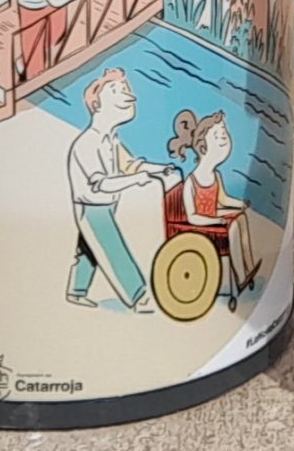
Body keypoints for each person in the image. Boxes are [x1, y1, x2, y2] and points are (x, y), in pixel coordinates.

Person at [64, 69, 171, 311]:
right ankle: (138, 296)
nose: (129, 96)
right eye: (117, 91)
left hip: (107, 203)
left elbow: (130, 164)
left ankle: (76, 291)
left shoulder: (112, 140)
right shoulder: (87, 143)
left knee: (89, 248)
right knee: (112, 248)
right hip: (92, 206)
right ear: (97, 105)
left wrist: (158, 169)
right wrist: (136, 179)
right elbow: (101, 183)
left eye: (126, 90)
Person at [167, 108, 259, 294]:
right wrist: (218, 220)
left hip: (214, 214)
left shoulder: (215, 175)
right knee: (232, 227)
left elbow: (222, 199)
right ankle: (240, 276)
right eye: (218, 135)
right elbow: (192, 216)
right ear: (203, 147)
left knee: (241, 218)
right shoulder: (191, 182)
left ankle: (249, 267)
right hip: (200, 222)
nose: (224, 137)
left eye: (224, 133)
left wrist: (239, 204)